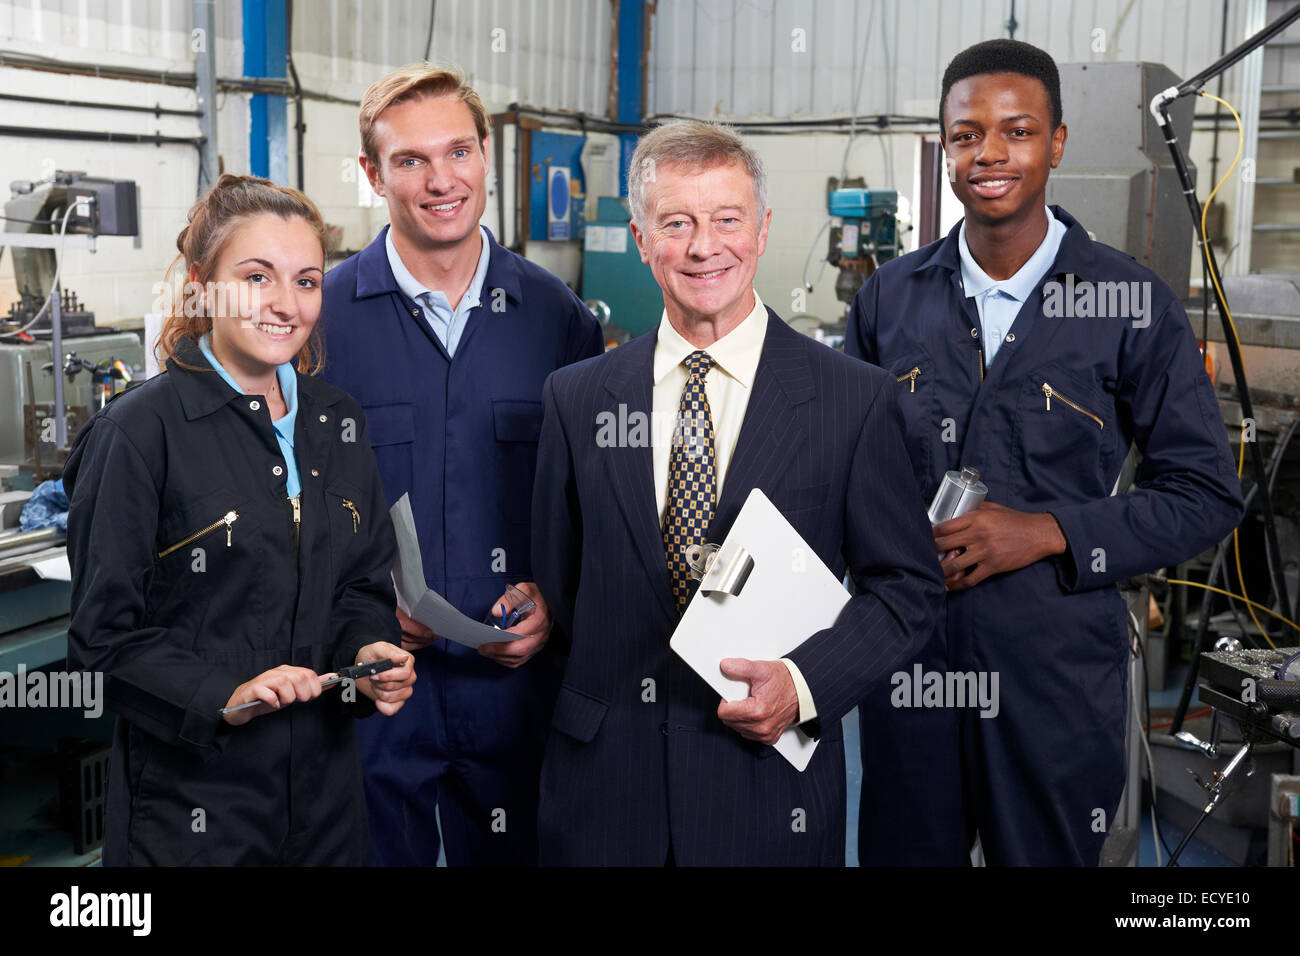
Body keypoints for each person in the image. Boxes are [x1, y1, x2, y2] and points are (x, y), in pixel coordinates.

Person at [846, 39, 1245, 866]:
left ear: (1057, 141)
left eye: (1017, 131)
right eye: (965, 135)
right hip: (910, 669)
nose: (989, 154)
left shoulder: (1130, 305)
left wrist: (1048, 532)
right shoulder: (890, 298)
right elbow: (839, 464)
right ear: (945, 145)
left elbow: (1206, 492)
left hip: (1053, 682)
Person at [531, 119, 944, 866]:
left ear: (762, 230)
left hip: (765, 791)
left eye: (726, 219)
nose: (703, 246)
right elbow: (563, 586)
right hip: (603, 794)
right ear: (640, 238)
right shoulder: (576, 398)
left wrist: (805, 683)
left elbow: (906, 589)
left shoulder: (854, 399)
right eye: (676, 223)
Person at [64, 174, 416, 866]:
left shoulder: (335, 420)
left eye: (308, 281)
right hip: (193, 813)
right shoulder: (140, 434)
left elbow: (361, 585)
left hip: (326, 805)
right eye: (258, 277)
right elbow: (102, 644)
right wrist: (224, 695)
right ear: (201, 285)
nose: (287, 304)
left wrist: (368, 654)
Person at [320, 64, 604, 867]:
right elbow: (286, 510)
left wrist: (556, 600)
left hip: (518, 692)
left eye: (459, 152)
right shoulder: (319, 324)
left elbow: (589, 506)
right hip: (376, 694)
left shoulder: (557, 318)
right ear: (373, 176)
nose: (441, 181)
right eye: (410, 160)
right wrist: (365, 617)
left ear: (487, 157)